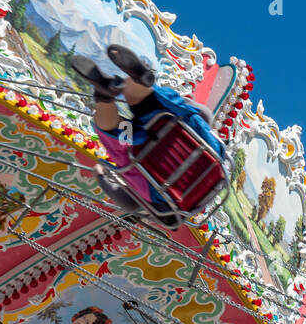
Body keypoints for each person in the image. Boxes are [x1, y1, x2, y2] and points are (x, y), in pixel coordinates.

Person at [70, 45, 225, 225]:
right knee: (117, 138)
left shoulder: (217, 175)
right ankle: (105, 95)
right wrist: (101, 176)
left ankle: (142, 84)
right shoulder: (165, 209)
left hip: (176, 133)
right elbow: (128, 204)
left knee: (157, 106)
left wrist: (186, 105)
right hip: (143, 152)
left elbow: (204, 113)